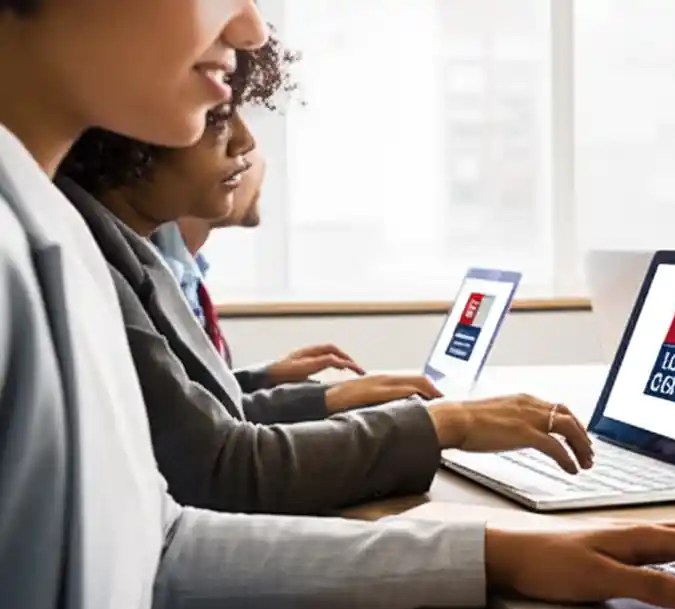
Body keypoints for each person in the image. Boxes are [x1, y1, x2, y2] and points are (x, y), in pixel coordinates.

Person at [0, 4, 675, 609]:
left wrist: (496, 554)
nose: (250, 30)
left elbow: (157, 550)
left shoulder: (59, 233)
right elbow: (201, 491)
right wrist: (455, 476)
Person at [53, 46, 492, 515]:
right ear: (128, 132)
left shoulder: (127, 250)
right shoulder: (93, 262)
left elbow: (206, 416)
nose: (245, 142)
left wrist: (334, 398)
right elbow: (218, 466)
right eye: (218, 118)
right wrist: (447, 424)